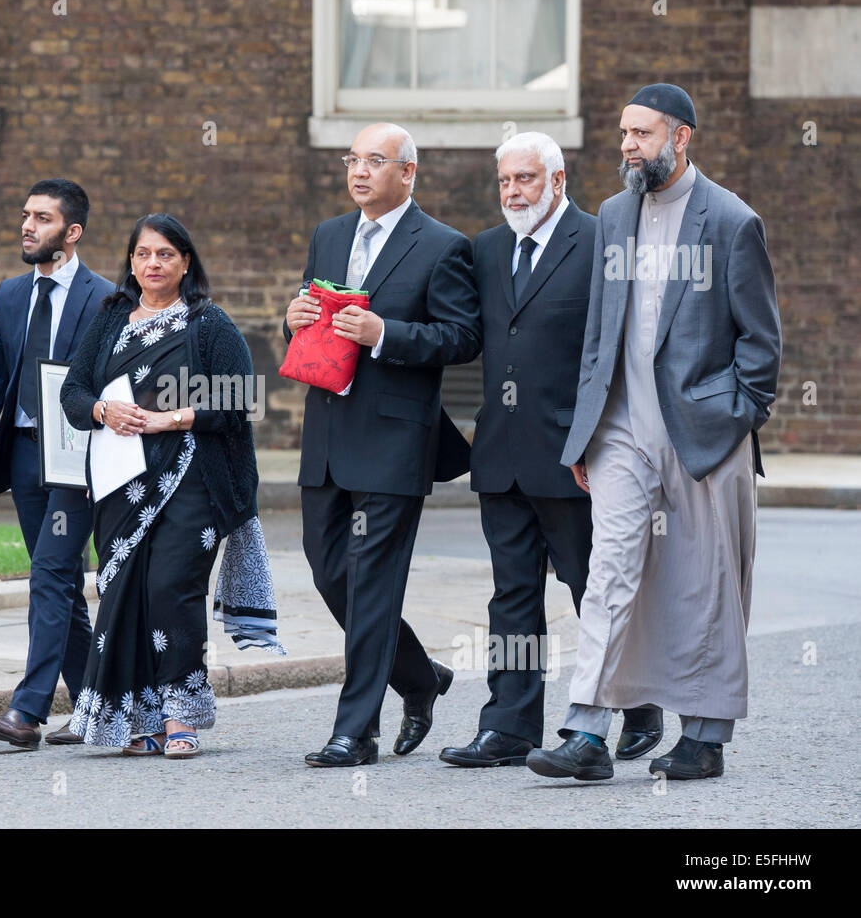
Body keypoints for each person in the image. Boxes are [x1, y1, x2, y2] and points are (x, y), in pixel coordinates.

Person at [527, 84, 782, 782]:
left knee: (703, 583)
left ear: (682, 137)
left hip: (704, 434)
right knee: (609, 574)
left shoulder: (732, 221)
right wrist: (585, 433)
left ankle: (703, 735)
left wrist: (732, 418)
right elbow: (599, 332)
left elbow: (761, 348)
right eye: (623, 133)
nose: (628, 145)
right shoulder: (613, 215)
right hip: (619, 433)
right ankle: (586, 731)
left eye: (641, 133)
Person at [438, 132, 663, 770]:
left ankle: (638, 706)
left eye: (526, 180)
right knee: (511, 596)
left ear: (558, 181)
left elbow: (622, 350)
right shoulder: (485, 248)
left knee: (595, 587)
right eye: (505, 181)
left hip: (577, 456)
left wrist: (602, 441)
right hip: (501, 455)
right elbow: (460, 332)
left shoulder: (599, 240)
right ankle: (509, 726)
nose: (513, 192)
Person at [285, 122, 481, 767]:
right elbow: (316, 318)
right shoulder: (330, 235)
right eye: (353, 159)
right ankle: (420, 678)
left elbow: (460, 337)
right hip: (329, 435)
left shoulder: (443, 246)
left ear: (408, 172)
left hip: (396, 440)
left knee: (372, 580)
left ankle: (355, 731)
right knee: (328, 570)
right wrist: (296, 318)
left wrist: (384, 333)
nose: (359, 170)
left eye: (375, 160)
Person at [60, 213, 283, 758]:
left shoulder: (208, 324)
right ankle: (139, 717)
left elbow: (238, 401)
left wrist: (174, 418)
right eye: (142, 254)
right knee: (124, 593)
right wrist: (102, 408)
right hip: (120, 480)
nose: (152, 264)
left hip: (192, 475)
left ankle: (181, 711)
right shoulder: (111, 318)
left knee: (170, 589)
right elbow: (73, 392)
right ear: (131, 262)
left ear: (186, 262)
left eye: (165, 254)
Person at [0, 179, 113, 750]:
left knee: (47, 573)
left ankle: (27, 712)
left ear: (71, 233)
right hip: (24, 457)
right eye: (25, 215)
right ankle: (101, 706)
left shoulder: (107, 299)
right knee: (63, 585)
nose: (27, 226)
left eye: (41, 218)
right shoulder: (11, 295)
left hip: (79, 462)